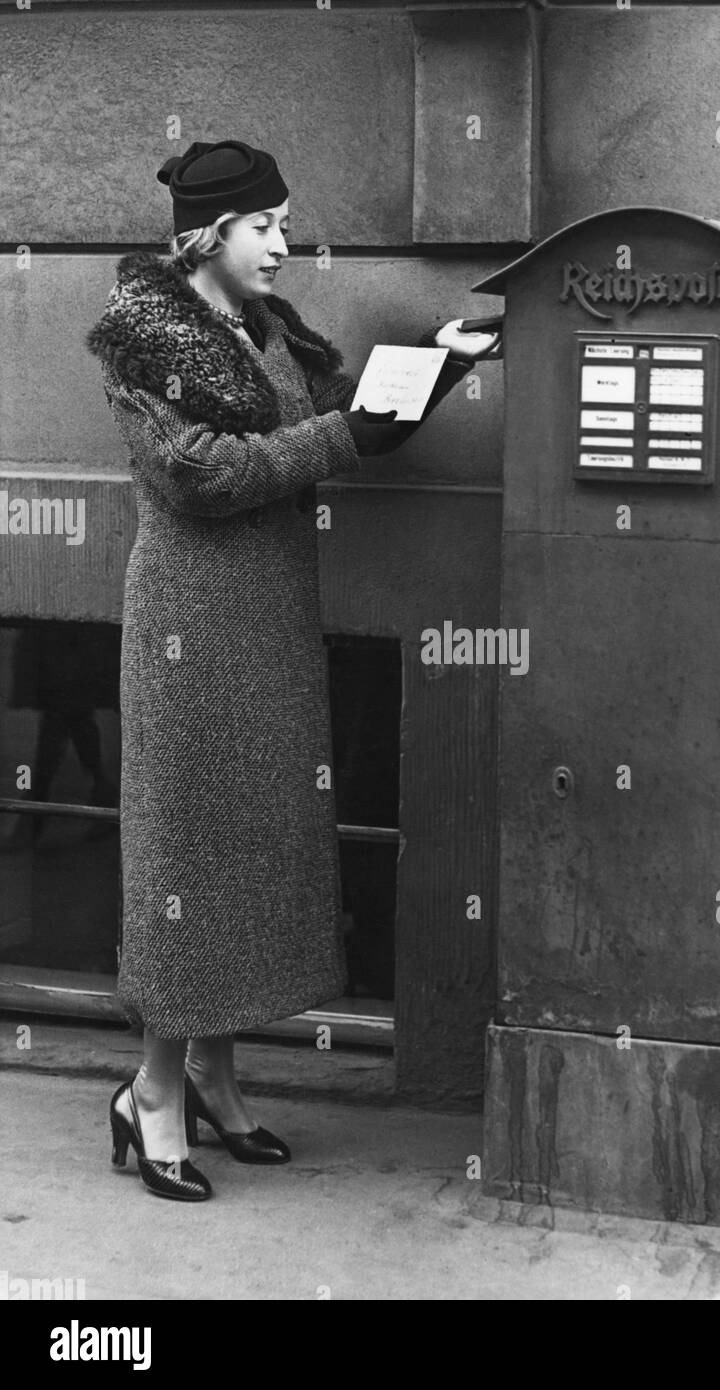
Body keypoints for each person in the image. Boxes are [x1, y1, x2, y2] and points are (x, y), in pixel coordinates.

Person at [86, 138, 500, 1201]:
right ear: (205, 236)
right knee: (189, 854)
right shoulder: (147, 339)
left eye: (279, 223)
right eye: (262, 226)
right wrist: (336, 436)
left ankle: (218, 1084)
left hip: (268, 615)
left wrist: (441, 356)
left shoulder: (263, 327)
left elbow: (354, 420)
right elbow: (197, 475)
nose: (281, 244)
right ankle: (153, 1096)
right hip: (189, 621)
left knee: (247, 845)